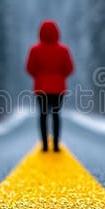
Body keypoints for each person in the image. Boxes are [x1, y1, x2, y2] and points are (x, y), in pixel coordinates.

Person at [25, 20, 74, 152]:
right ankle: (56, 145)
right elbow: (69, 68)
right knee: (56, 115)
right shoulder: (63, 50)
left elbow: (29, 68)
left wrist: (39, 76)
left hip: (41, 88)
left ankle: (45, 145)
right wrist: (59, 76)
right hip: (58, 88)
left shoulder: (35, 50)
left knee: (43, 115)